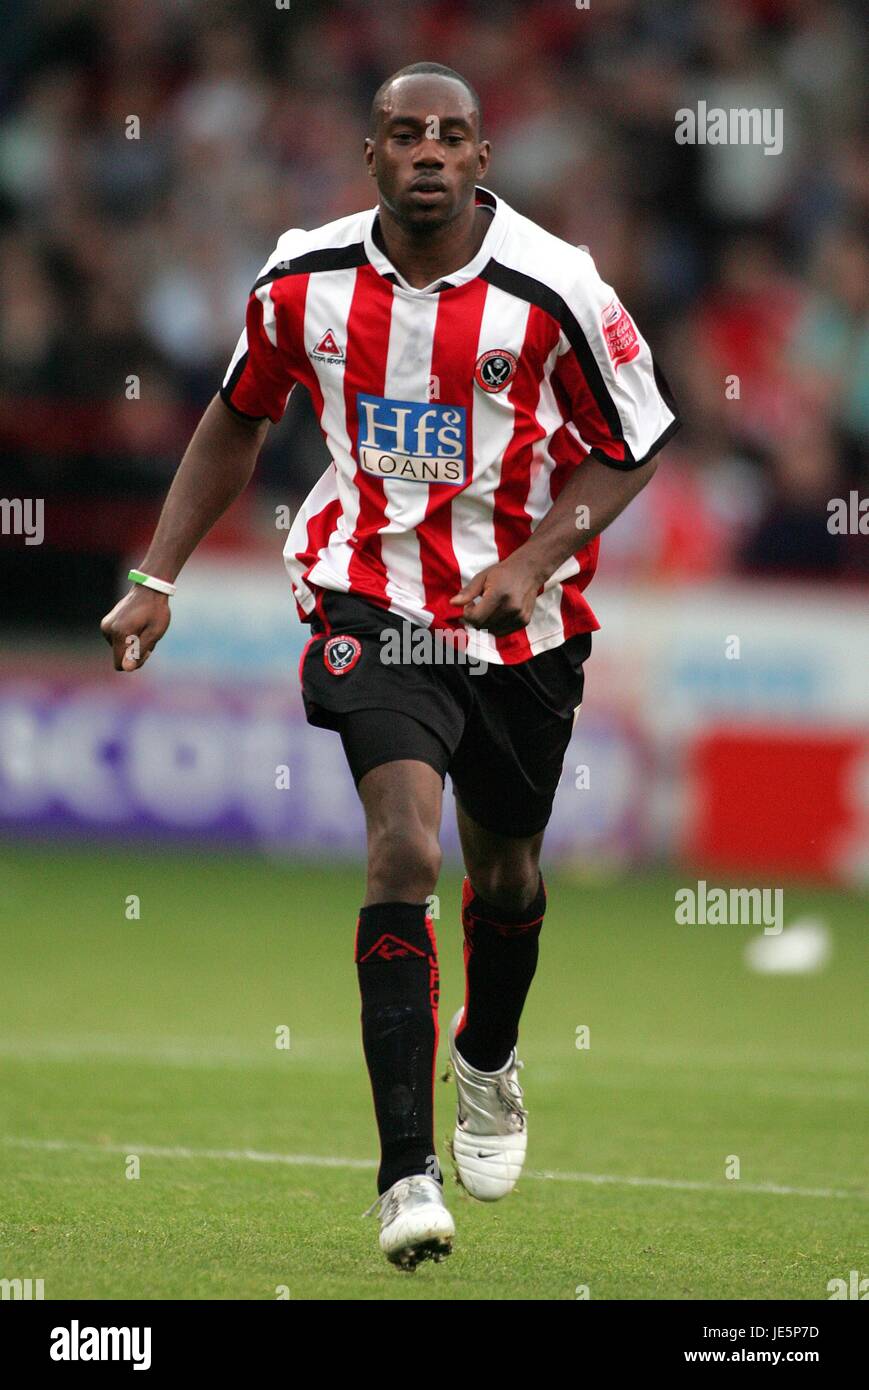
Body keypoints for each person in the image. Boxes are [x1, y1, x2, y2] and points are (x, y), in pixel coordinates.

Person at [100, 62, 680, 1272]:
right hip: (367, 594)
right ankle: (404, 1173)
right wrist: (157, 577)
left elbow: (632, 445)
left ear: (481, 161)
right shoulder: (301, 277)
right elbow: (236, 415)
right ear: (367, 154)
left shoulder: (554, 286)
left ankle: (486, 1053)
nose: (427, 149)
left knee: (506, 872)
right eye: (403, 133)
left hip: (519, 621)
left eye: (452, 134)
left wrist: (531, 558)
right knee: (403, 846)